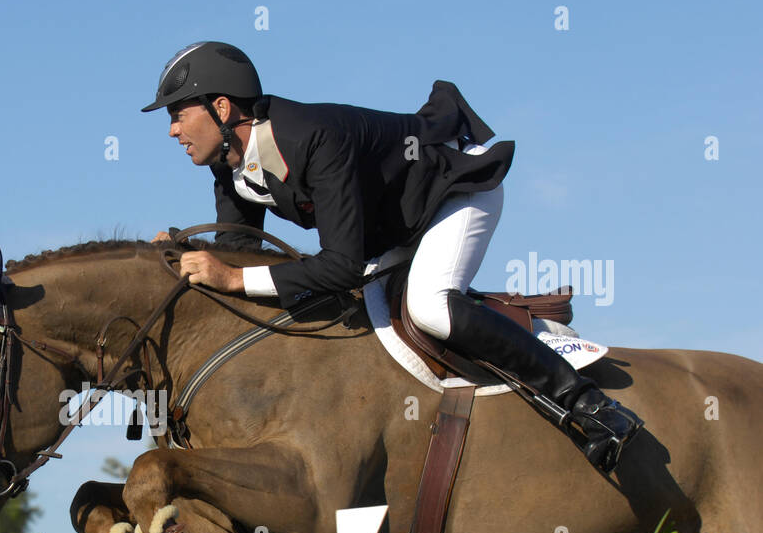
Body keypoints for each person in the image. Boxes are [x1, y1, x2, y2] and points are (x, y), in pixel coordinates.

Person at [142, 41, 642, 472]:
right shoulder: (230, 166)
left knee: (429, 306)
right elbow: (244, 256)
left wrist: (230, 279)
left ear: (223, 109)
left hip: (451, 191)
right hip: (390, 228)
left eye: (177, 114)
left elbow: (337, 266)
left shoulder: (315, 137)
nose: (171, 131)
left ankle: (590, 405)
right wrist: (192, 255)